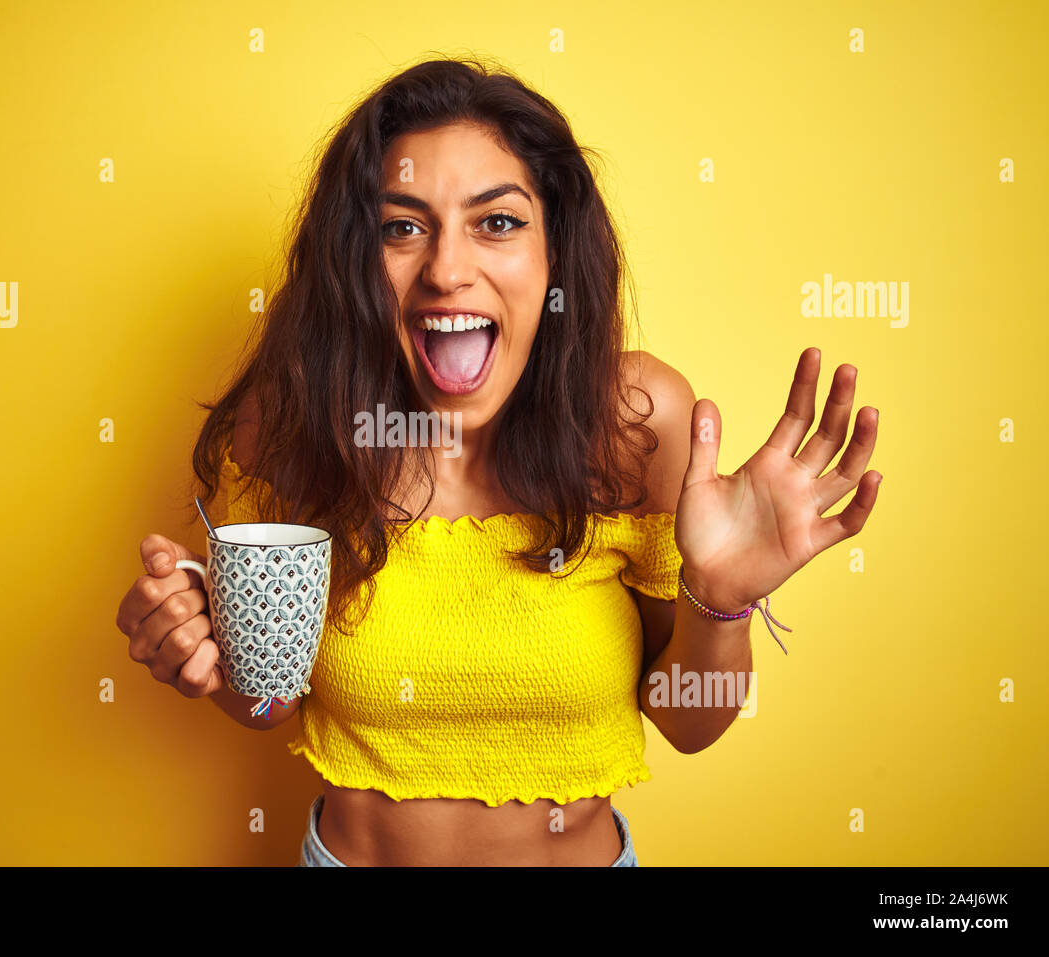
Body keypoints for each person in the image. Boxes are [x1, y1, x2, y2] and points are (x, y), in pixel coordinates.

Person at [114, 56, 882, 866]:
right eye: (401, 226)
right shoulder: (294, 421)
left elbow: (692, 724)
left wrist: (719, 602)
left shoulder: (634, 424)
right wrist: (198, 650)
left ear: (555, 252)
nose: (447, 269)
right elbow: (268, 699)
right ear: (353, 262)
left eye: (499, 222)